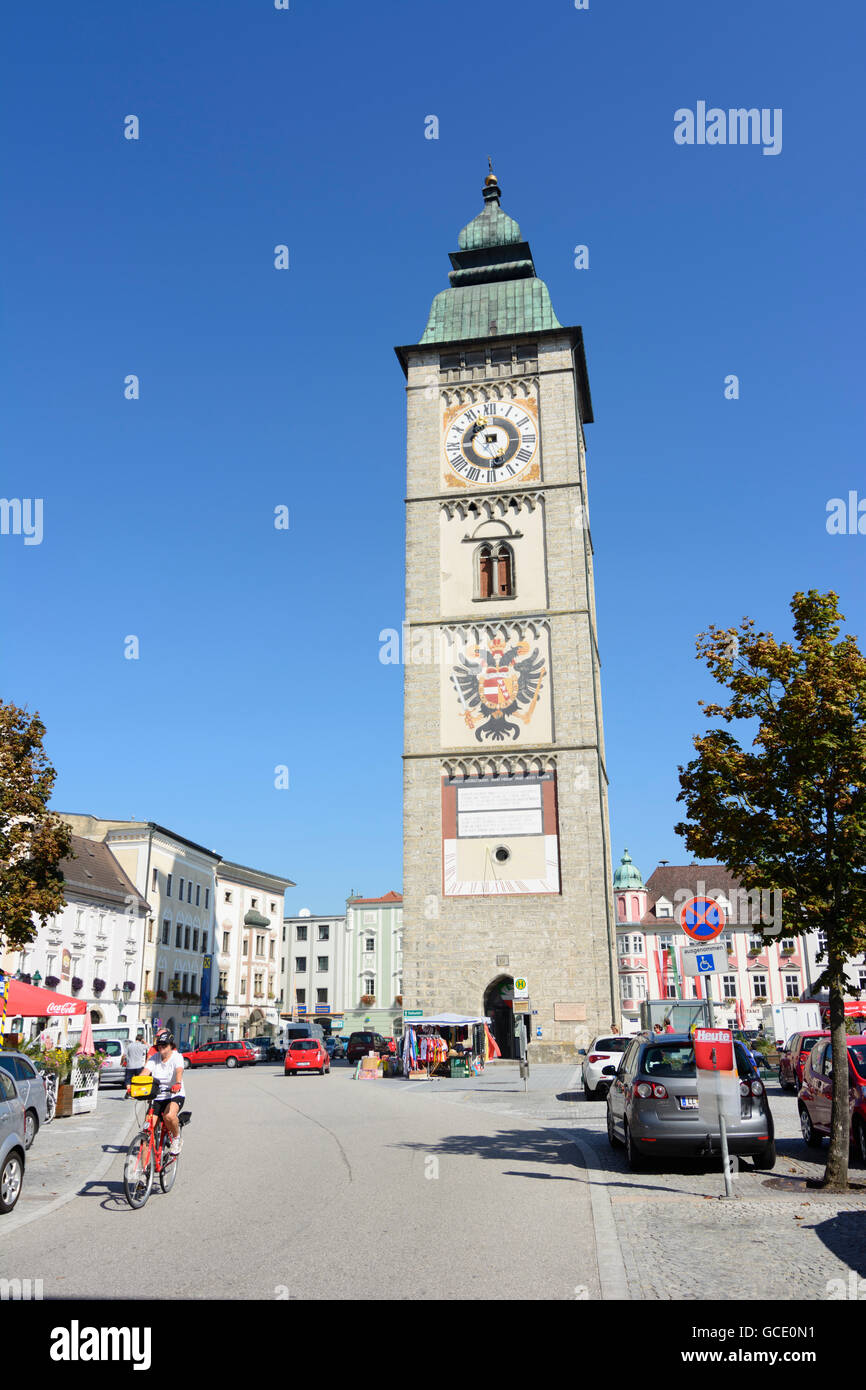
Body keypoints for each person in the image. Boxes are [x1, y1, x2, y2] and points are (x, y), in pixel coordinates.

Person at [136, 1028, 185, 1156]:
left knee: (168, 1116)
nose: (161, 1048)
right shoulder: (154, 1058)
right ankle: (142, 1170)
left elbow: (179, 1070)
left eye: (164, 1045)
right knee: (147, 1131)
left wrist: (178, 1083)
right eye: (159, 1046)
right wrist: (135, 1085)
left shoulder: (177, 1057)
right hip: (157, 1096)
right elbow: (145, 1072)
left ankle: (176, 1138)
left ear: (171, 1046)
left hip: (174, 1094)